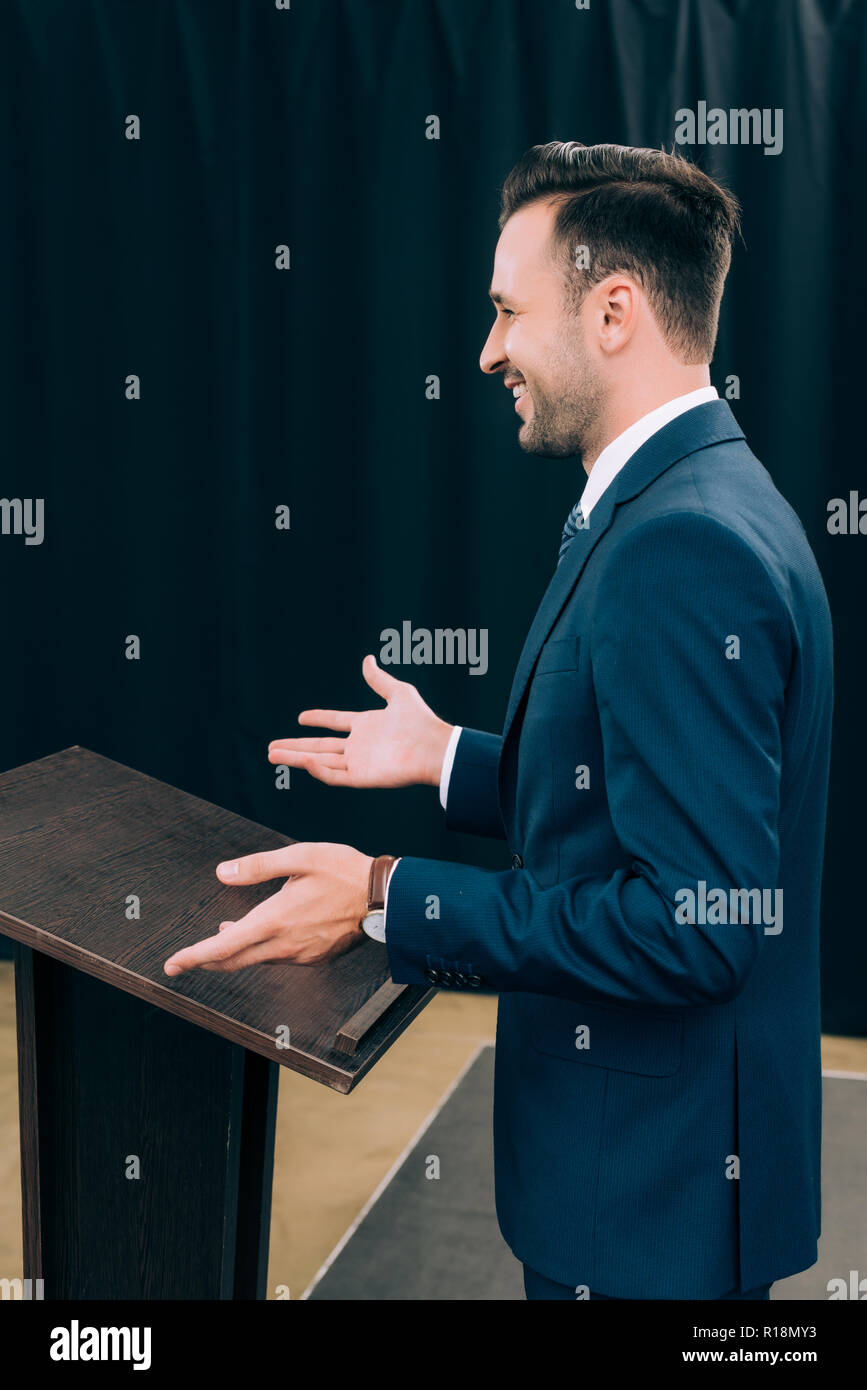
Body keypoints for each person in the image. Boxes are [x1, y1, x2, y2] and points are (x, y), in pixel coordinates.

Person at [165, 142, 833, 1302]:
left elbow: (695, 923)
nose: (487, 350)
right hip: (656, 1186)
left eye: (507, 311)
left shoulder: (684, 545)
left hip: (647, 1209)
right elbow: (642, 801)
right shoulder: (699, 495)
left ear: (614, 310)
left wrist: (384, 895)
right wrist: (451, 760)